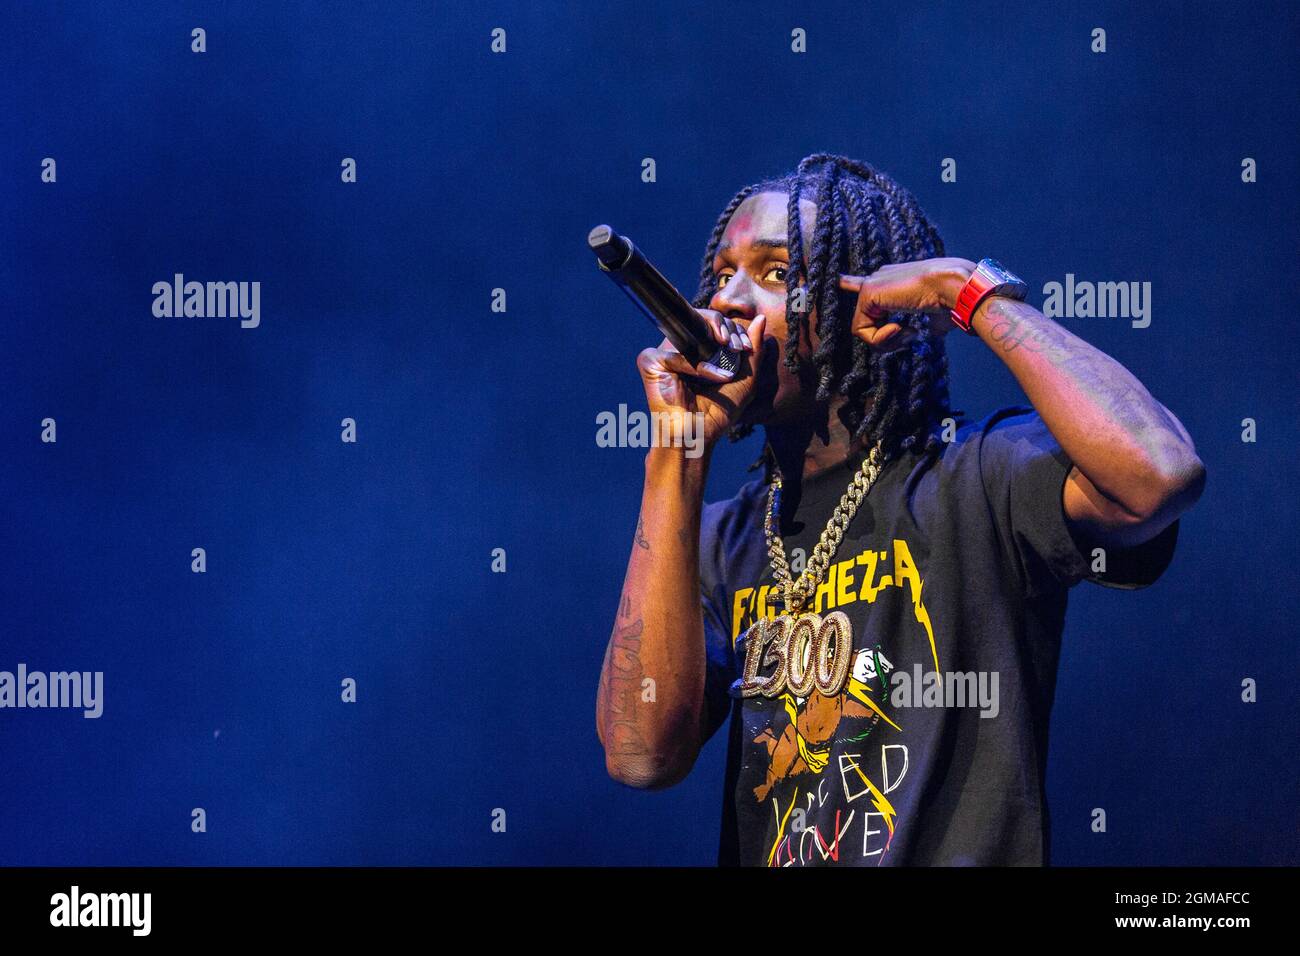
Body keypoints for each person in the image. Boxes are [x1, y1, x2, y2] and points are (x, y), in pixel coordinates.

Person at [594, 153, 1205, 866]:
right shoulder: (719, 538)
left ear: (863, 312)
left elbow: (1159, 474)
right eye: (721, 275)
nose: (726, 301)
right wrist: (676, 452)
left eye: (776, 273)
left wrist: (968, 292)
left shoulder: (981, 474)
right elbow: (641, 756)